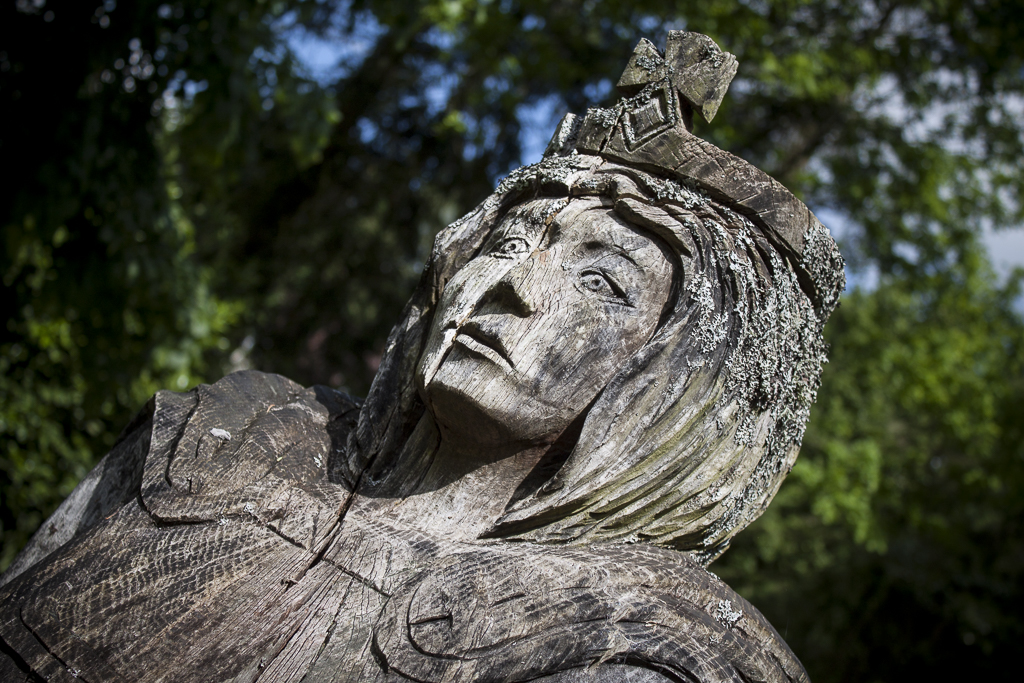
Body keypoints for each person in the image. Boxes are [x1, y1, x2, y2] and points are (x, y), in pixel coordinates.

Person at [0, 32, 842, 682]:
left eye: (602, 281)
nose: (513, 283)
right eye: (508, 238)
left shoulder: (644, 645)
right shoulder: (225, 438)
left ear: (674, 379)